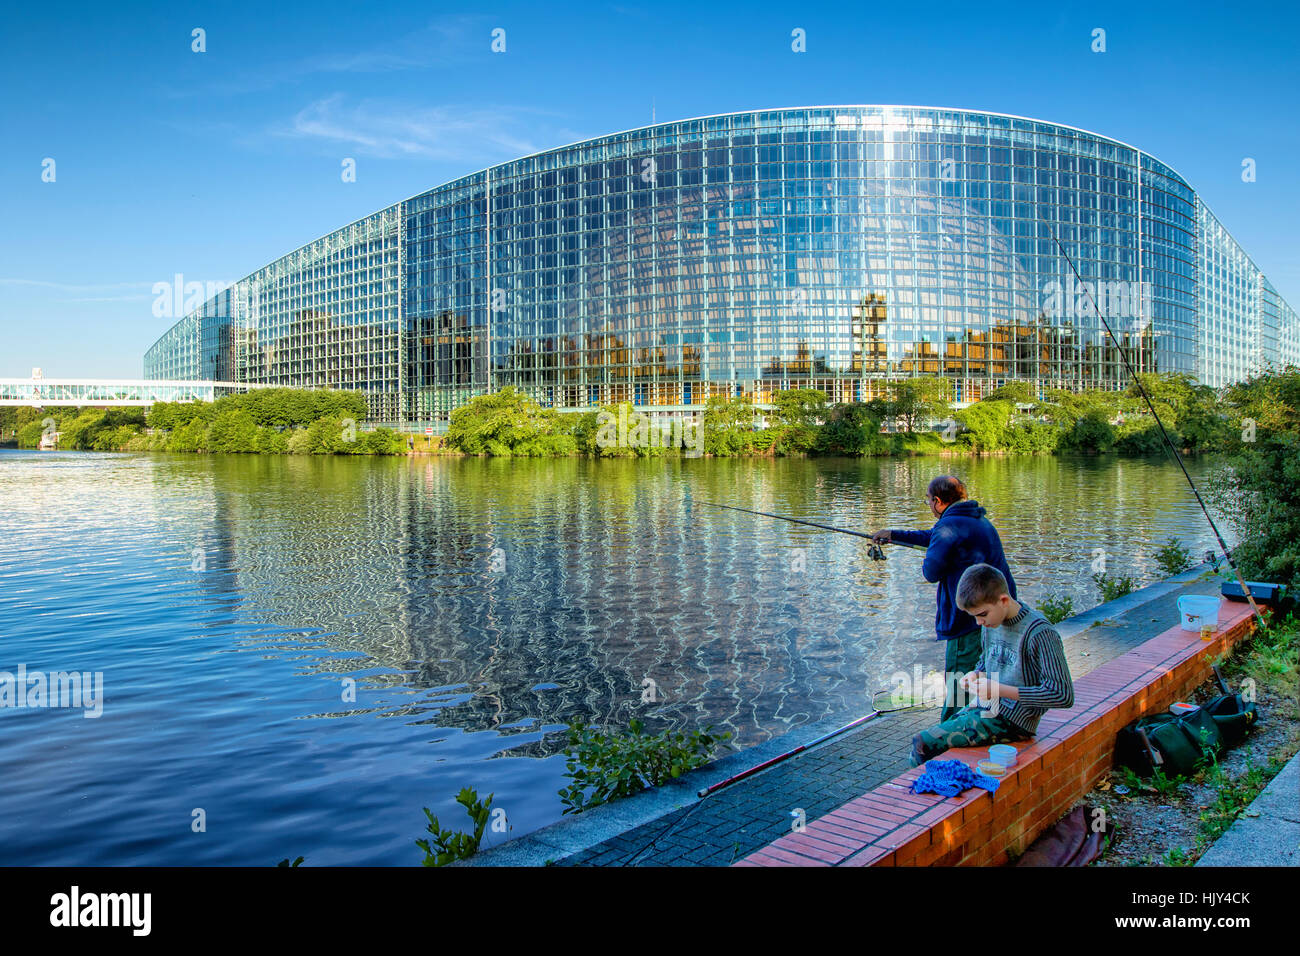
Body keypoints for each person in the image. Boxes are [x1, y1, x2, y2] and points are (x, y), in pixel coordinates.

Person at [872, 475, 1016, 721]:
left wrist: (931, 556)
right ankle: (987, 722)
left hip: (968, 620)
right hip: (999, 613)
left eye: (928, 500)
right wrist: (893, 535)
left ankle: (946, 737)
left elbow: (931, 572)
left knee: (960, 685)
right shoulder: (977, 520)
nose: (928, 505)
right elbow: (934, 536)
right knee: (985, 675)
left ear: (938, 501)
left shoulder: (949, 526)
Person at [910, 563, 1074, 765]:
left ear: (1003, 600)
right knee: (938, 733)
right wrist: (976, 673)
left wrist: (999, 690)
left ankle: (920, 791)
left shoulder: (1040, 633)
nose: (979, 623)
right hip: (987, 707)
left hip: (1015, 721)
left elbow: (1062, 695)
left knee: (923, 743)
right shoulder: (992, 623)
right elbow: (985, 661)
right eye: (974, 617)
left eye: (982, 615)